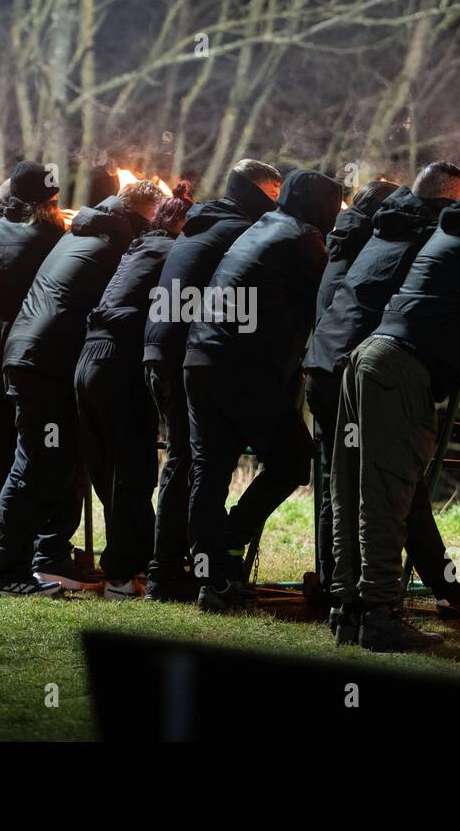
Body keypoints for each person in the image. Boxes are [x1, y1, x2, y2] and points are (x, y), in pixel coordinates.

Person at [306, 164, 460, 623]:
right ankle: (390, 600)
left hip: (329, 363)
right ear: (449, 202)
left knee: (352, 484)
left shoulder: (385, 225)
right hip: (367, 369)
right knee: (391, 490)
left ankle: (343, 594)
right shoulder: (433, 235)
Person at [0, 180, 159, 597]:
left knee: (55, 462)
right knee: (36, 465)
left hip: (32, 356)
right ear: (139, 216)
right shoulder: (116, 244)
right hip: (45, 363)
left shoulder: (84, 231)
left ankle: (43, 559)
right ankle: (3, 572)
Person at [185, 169, 343, 613]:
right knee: (294, 457)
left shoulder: (263, 227)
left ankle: (212, 581)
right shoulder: (300, 240)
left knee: (209, 471)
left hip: (201, 357)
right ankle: (232, 543)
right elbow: (331, 290)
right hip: (242, 365)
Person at [141, 159, 282, 602]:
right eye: (274, 195)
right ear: (258, 194)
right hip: (189, 352)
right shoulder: (239, 232)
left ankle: (171, 571)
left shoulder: (201, 224)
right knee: (194, 463)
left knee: (183, 460)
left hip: (161, 347)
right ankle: (174, 571)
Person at [75, 193, 191, 598]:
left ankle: (134, 560)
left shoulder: (140, 246)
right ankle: (122, 576)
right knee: (132, 473)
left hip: (89, 357)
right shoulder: (175, 251)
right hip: (120, 363)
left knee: (110, 472)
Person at [303, 179, 395, 601]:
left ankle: (330, 579)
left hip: (320, 369)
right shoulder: (369, 249)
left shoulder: (340, 244)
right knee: (350, 483)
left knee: (331, 478)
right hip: (343, 375)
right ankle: (346, 584)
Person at [0, 162, 67, 556]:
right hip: (28, 359)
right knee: (37, 462)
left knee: (3, 461)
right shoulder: (46, 236)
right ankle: (29, 552)